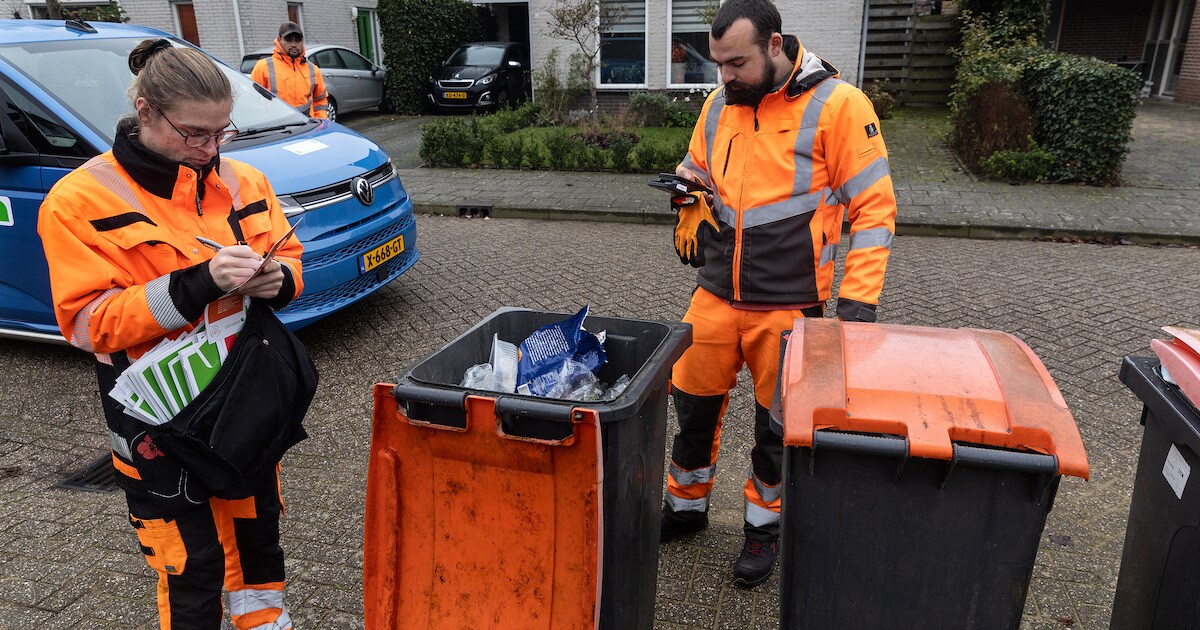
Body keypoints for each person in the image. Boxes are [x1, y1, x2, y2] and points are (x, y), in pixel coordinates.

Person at [38, 39, 304, 629]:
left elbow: (289, 256)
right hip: (158, 415)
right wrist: (198, 284)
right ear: (145, 112)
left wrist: (278, 282)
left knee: (259, 534)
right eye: (195, 135)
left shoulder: (244, 180)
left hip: (243, 394)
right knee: (191, 561)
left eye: (221, 133)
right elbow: (88, 323)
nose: (210, 151)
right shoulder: (78, 200)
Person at [660, 0, 898, 589]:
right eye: (718, 64)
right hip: (715, 293)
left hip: (790, 302)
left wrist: (858, 302)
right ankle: (686, 507)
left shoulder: (839, 106)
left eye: (736, 62)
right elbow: (696, 167)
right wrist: (687, 197)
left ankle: (763, 529)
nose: (725, 77)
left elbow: (874, 210)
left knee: (778, 427)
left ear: (774, 44)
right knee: (690, 403)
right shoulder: (720, 105)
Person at [251, 21, 329, 119]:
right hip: (277, 128)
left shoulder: (313, 69)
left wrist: (320, 122)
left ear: (302, 41)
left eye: (297, 40)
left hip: (307, 127)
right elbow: (253, 101)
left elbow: (320, 101)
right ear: (279, 40)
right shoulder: (263, 67)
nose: (294, 44)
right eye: (288, 40)